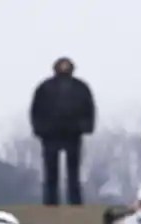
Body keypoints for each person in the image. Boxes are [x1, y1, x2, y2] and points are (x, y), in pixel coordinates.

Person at [30, 57, 95, 206]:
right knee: (50, 172)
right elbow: (36, 110)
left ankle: (75, 203)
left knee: (73, 173)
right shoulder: (45, 87)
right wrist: (39, 129)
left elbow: (89, 109)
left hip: (73, 135)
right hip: (51, 135)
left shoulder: (81, 88)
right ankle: (50, 203)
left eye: (67, 66)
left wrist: (86, 127)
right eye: (62, 66)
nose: (64, 69)